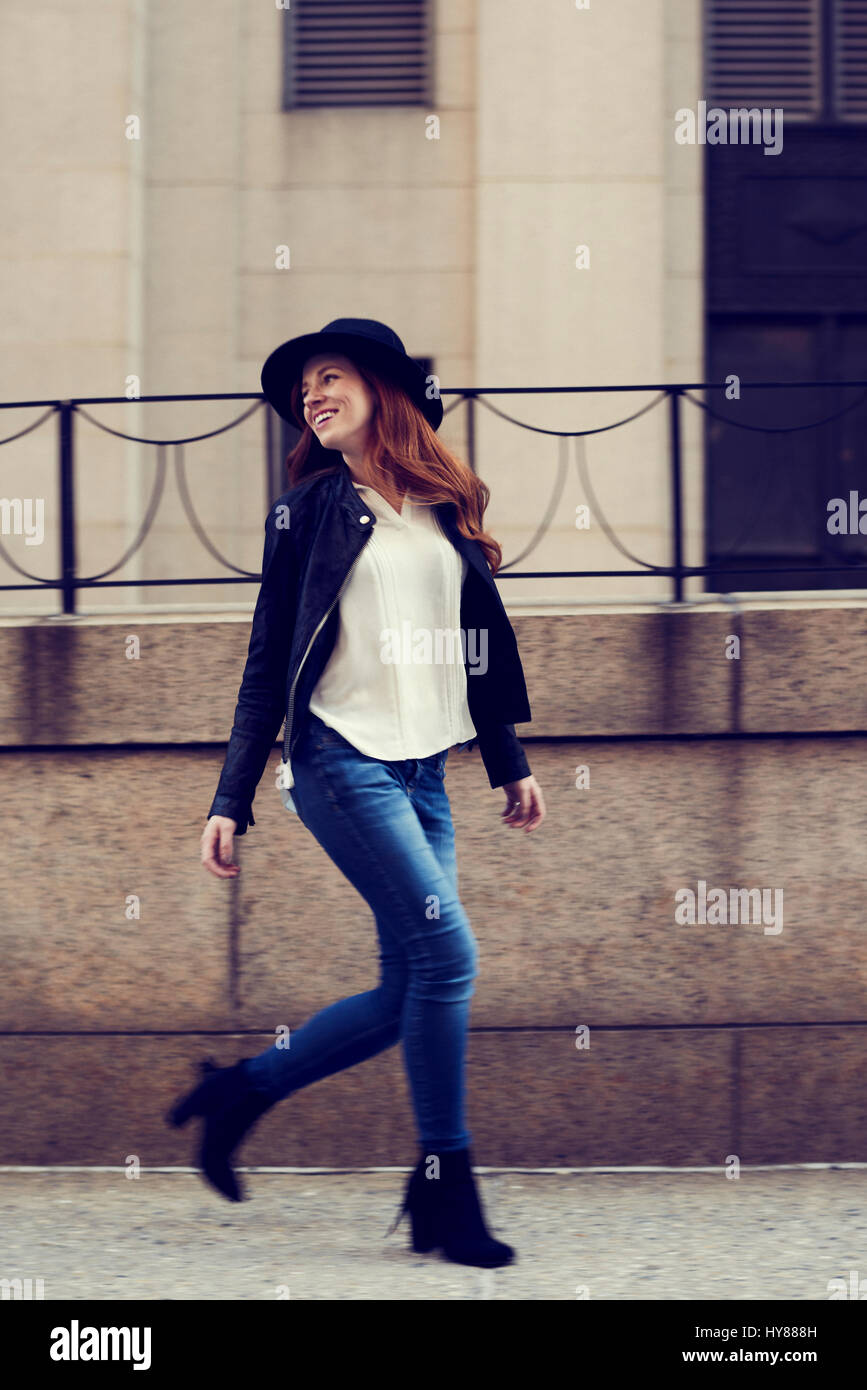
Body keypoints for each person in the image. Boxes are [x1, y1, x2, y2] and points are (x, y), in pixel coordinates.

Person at [168, 319, 545, 1268]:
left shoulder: (441, 505)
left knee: (409, 983)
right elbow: (267, 660)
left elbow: (475, 651)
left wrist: (507, 760)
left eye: (329, 377)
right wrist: (231, 795)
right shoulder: (306, 512)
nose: (312, 396)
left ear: (383, 387)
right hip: (341, 764)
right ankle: (444, 1196)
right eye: (304, 390)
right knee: (449, 958)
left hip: (426, 769)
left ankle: (240, 1092)